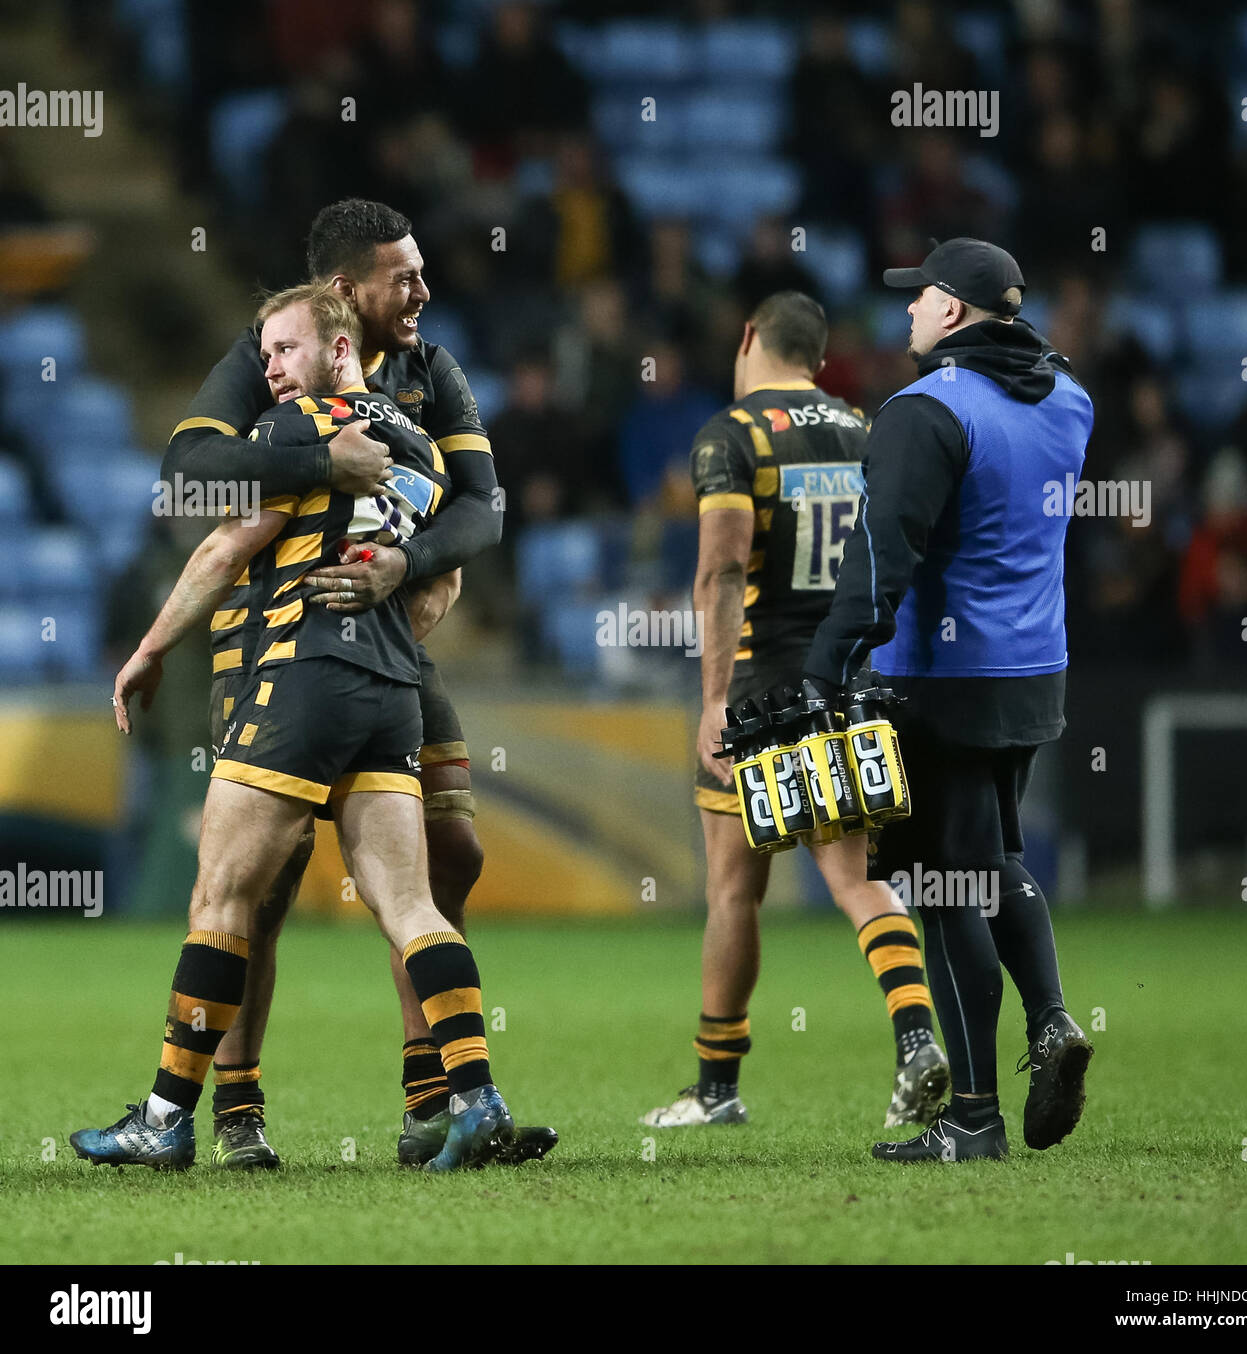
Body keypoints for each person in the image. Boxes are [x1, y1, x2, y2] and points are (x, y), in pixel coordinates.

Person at [72, 285, 518, 1173]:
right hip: (393, 690)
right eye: (265, 352)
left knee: (223, 901)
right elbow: (446, 582)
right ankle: (475, 1097)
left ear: (341, 347)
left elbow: (223, 543)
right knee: (410, 904)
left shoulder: (298, 429)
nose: (267, 367)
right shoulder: (419, 447)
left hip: (297, 678)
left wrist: (152, 647)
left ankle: (165, 1117)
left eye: (283, 348)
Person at [161, 198, 556, 1168]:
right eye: (403, 275)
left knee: (447, 855)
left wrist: (404, 563)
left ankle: (438, 1103)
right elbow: (189, 468)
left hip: (387, 645)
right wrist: (312, 454)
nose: (422, 289)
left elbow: (483, 510)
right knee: (261, 885)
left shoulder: (431, 372)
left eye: (420, 270)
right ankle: (237, 1112)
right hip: (275, 650)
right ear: (347, 291)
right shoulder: (273, 353)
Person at [804, 238, 1096, 1162]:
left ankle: (972, 1119)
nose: (907, 313)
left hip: (942, 679)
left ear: (957, 312)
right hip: (1034, 670)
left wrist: (828, 663)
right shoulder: (1071, 399)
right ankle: (1050, 1021)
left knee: (942, 885)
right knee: (995, 854)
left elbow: (884, 551)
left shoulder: (925, 411)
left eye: (920, 298)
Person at [641, 292, 949, 1130]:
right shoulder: (864, 430)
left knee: (735, 889)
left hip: (761, 692)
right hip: (847, 682)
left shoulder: (732, 436)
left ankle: (715, 1089)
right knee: (856, 878)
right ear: (816, 357)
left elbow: (723, 570)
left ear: (747, 339)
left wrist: (712, 701)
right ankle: (918, 1036)